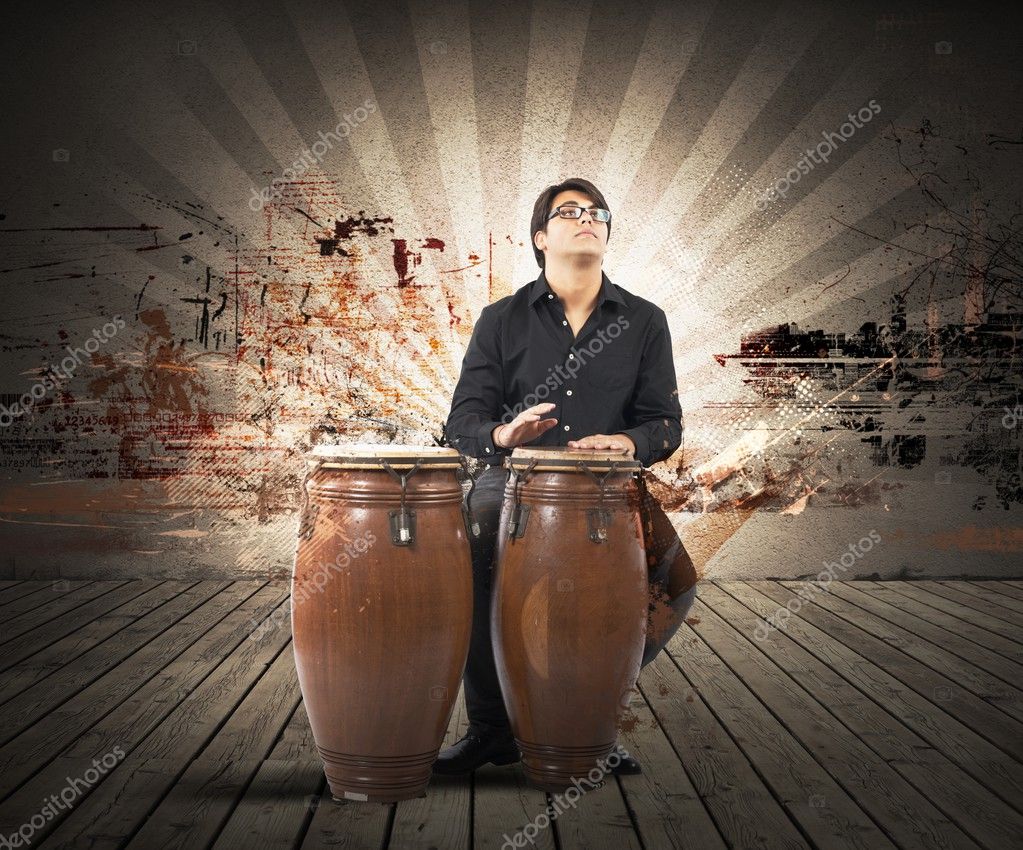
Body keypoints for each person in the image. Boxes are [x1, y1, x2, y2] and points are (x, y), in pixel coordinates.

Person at [436, 177, 685, 777]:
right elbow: (462, 420)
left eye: (596, 211)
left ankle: (582, 717)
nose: (587, 218)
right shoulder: (501, 321)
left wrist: (628, 440)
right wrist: (503, 435)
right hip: (513, 485)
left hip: (610, 489)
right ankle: (494, 731)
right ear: (541, 237)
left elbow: (666, 424)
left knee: (676, 587)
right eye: (569, 211)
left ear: (606, 233)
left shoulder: (646, 321)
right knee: (478, 564)